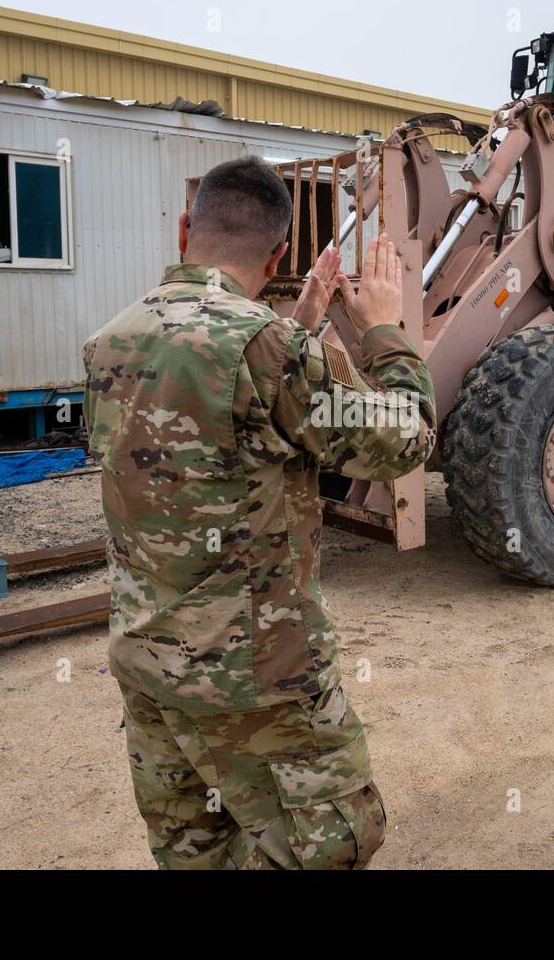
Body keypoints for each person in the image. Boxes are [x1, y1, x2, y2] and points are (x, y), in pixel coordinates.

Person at [82, 155, 435, 869]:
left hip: (149, 665)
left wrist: (299, 329)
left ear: (185, 229)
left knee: (196, 851)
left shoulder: (110, 339)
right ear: (278, 255)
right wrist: (384, 330)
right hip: (255, 675)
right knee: (336, 840)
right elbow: (407, 438)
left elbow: (222, 431)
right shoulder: (271, 351)